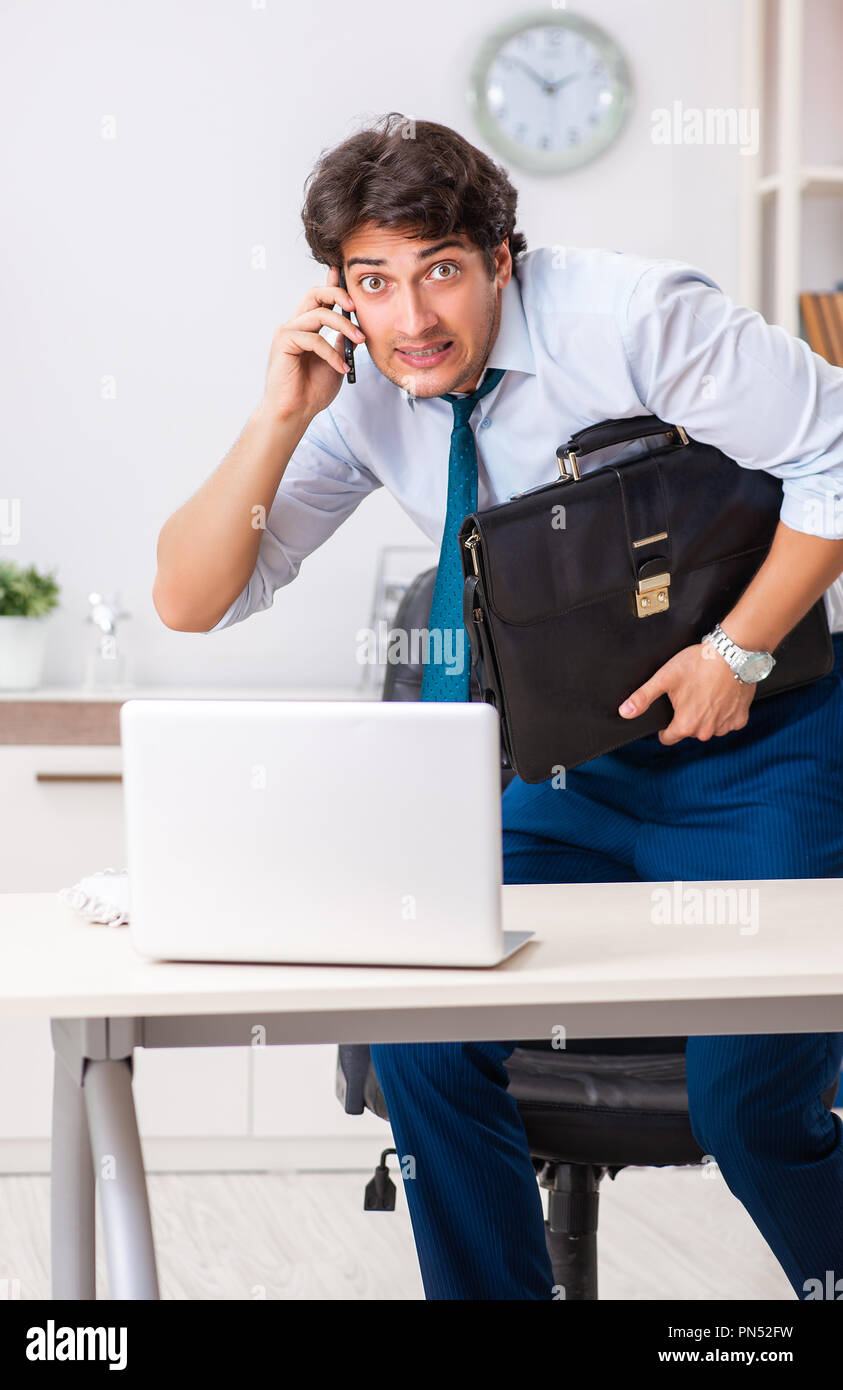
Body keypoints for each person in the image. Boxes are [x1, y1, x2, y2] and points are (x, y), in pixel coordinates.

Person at [153, 113, 843, 1300]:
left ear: (501, 257)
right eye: (375, 281)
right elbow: (192, 597)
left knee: (749, 1090)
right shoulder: (364, 389)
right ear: (340, 290)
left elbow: (837, 450)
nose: (413, 318)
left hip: (752, 750)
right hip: (568, 770)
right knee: (423, 1028)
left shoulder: (634, 319)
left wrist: (736, 649)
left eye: (441, 273)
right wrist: (281, 417)